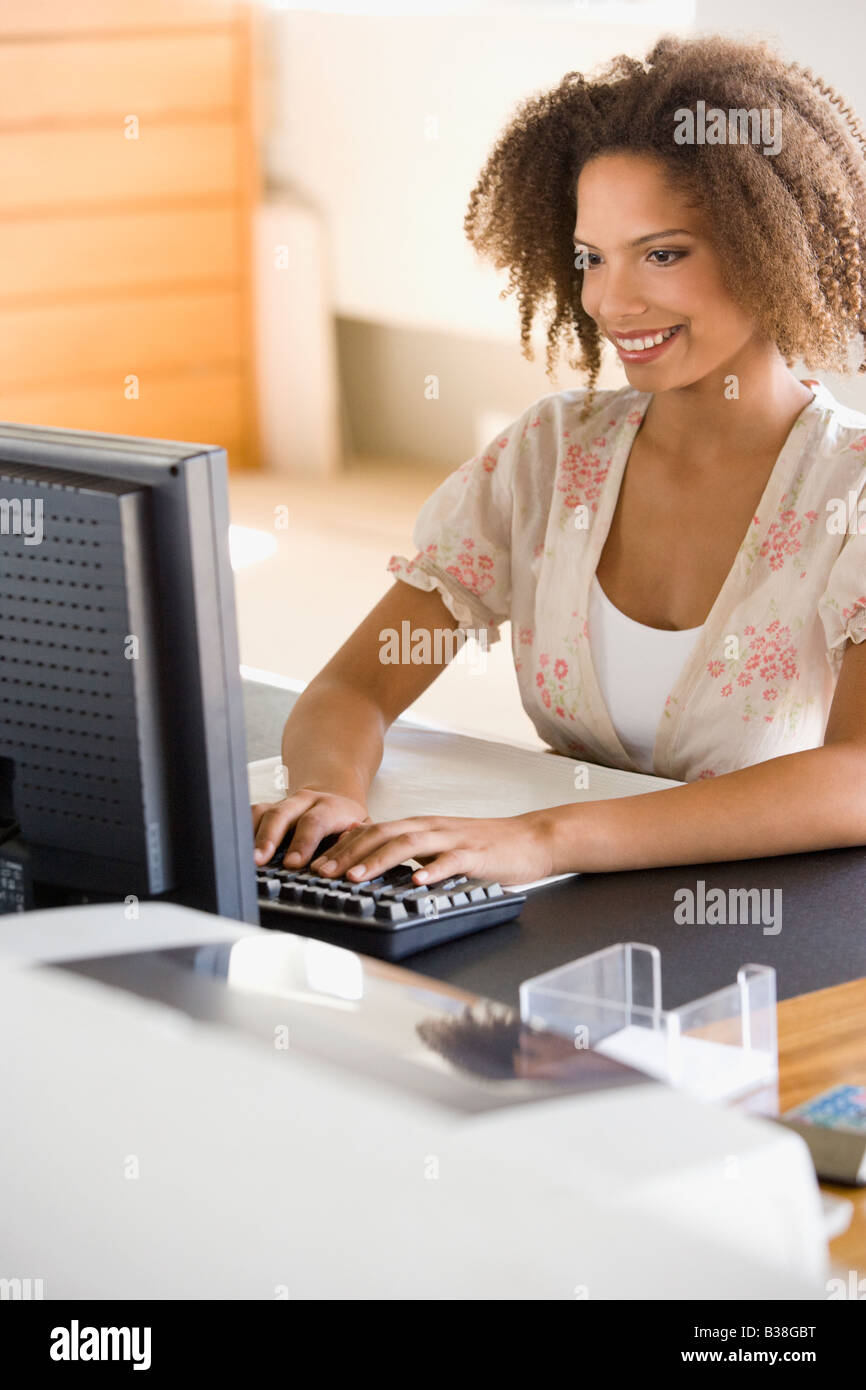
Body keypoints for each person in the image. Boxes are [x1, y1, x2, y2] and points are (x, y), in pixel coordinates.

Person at [252, 32, 866, 888]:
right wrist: (328, 795)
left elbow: (858, 777)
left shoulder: (852, 488)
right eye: (591, 259)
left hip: (773, 930)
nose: (611, 301)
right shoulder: (549, 457)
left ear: (771, 245)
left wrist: (545, 838)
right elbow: (354, 690)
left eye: (662, 253)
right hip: (563, 918)